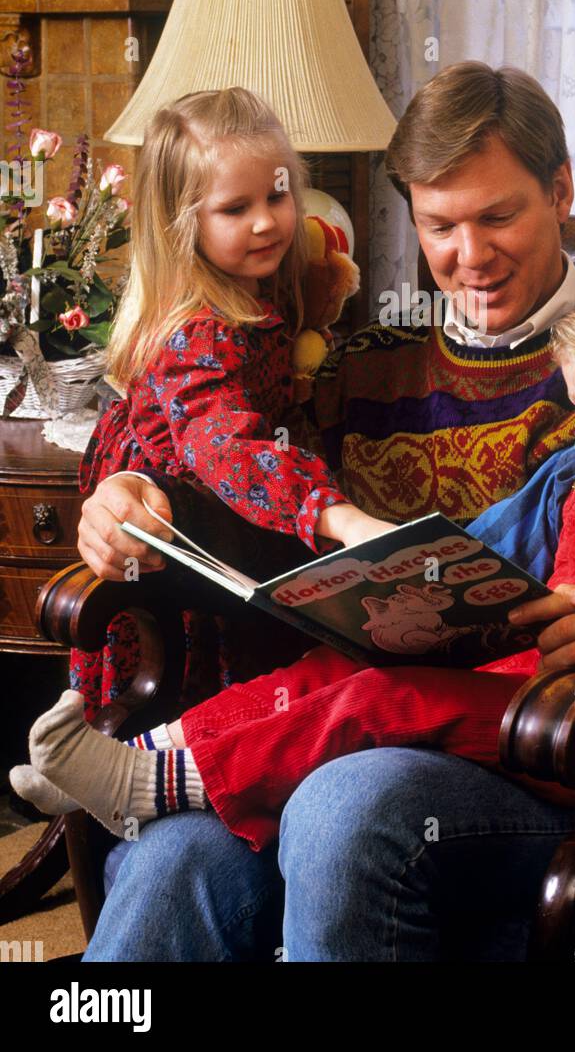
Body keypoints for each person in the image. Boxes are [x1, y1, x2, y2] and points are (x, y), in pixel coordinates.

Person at [67, 62, 575, 961]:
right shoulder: (360, 364)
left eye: (498, 216)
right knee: (174, 858)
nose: (469, 256)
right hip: (353, 717)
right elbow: (247, 484)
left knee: (343, 807)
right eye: (439, 226)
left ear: (561, 192)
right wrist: (134, 494)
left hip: (542, 757)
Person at [15, 269, 575, 862]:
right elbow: (473, 550)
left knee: (381, 697)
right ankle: (150, 750)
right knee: (334, 663)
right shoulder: (573, 476)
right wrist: (390, 580)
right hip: (511, 689)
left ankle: (155, 791)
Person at [59, 86, 395, 720]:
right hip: (184, 513)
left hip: (233, 500)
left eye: (277, 194)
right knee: (193, 667)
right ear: (182, 224)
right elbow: (227, 449)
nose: (266, 221)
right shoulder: (198, 330)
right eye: (234, 208)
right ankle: (116, 759)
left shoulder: (259, 282)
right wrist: (341, 518)